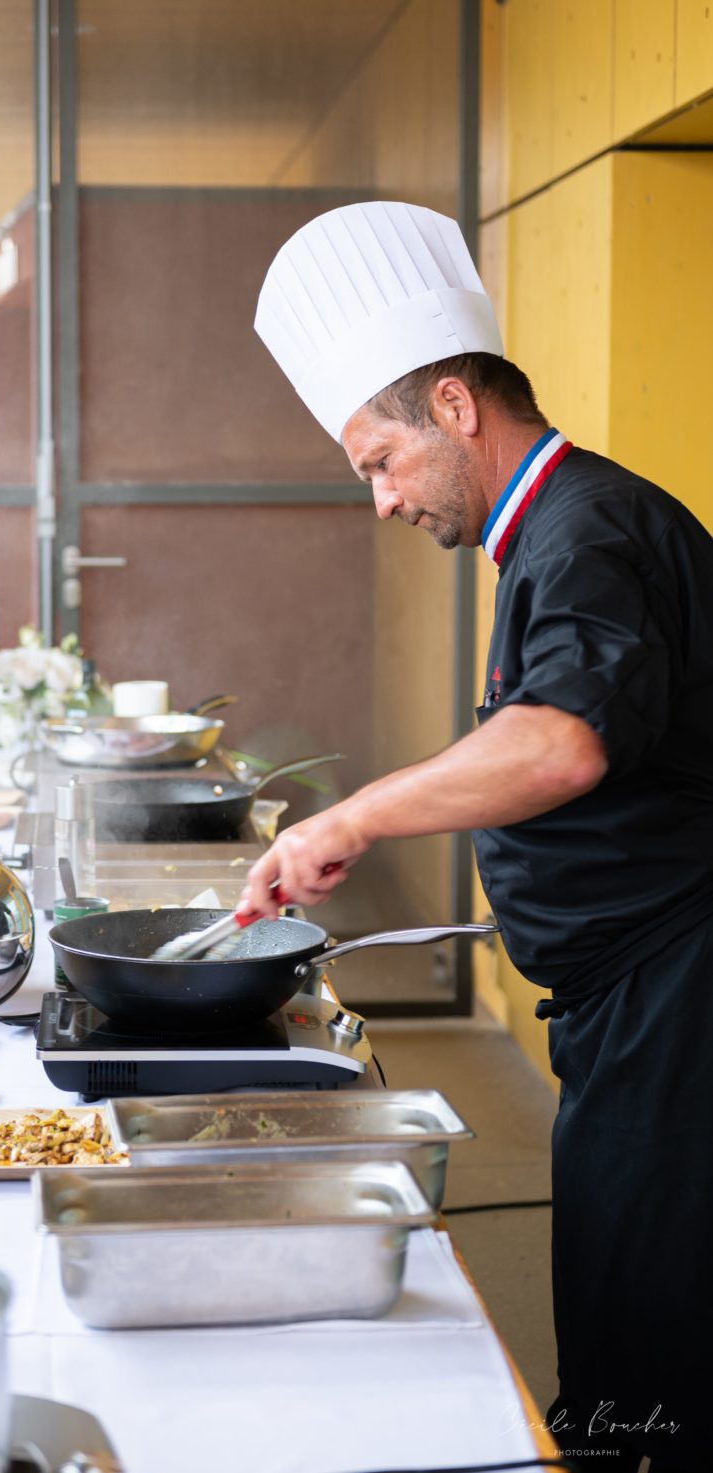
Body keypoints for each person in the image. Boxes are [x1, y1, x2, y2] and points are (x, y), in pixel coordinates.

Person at [245, 201, 713, 1472]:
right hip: (632, 1000)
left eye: (379, 461)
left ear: (454, 407)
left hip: (677, 998)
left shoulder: (587, 531)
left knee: (649, 1355)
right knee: (622, 1312)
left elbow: (559, 743)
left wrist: (352, 813)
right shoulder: (551, 540)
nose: (383, 501)